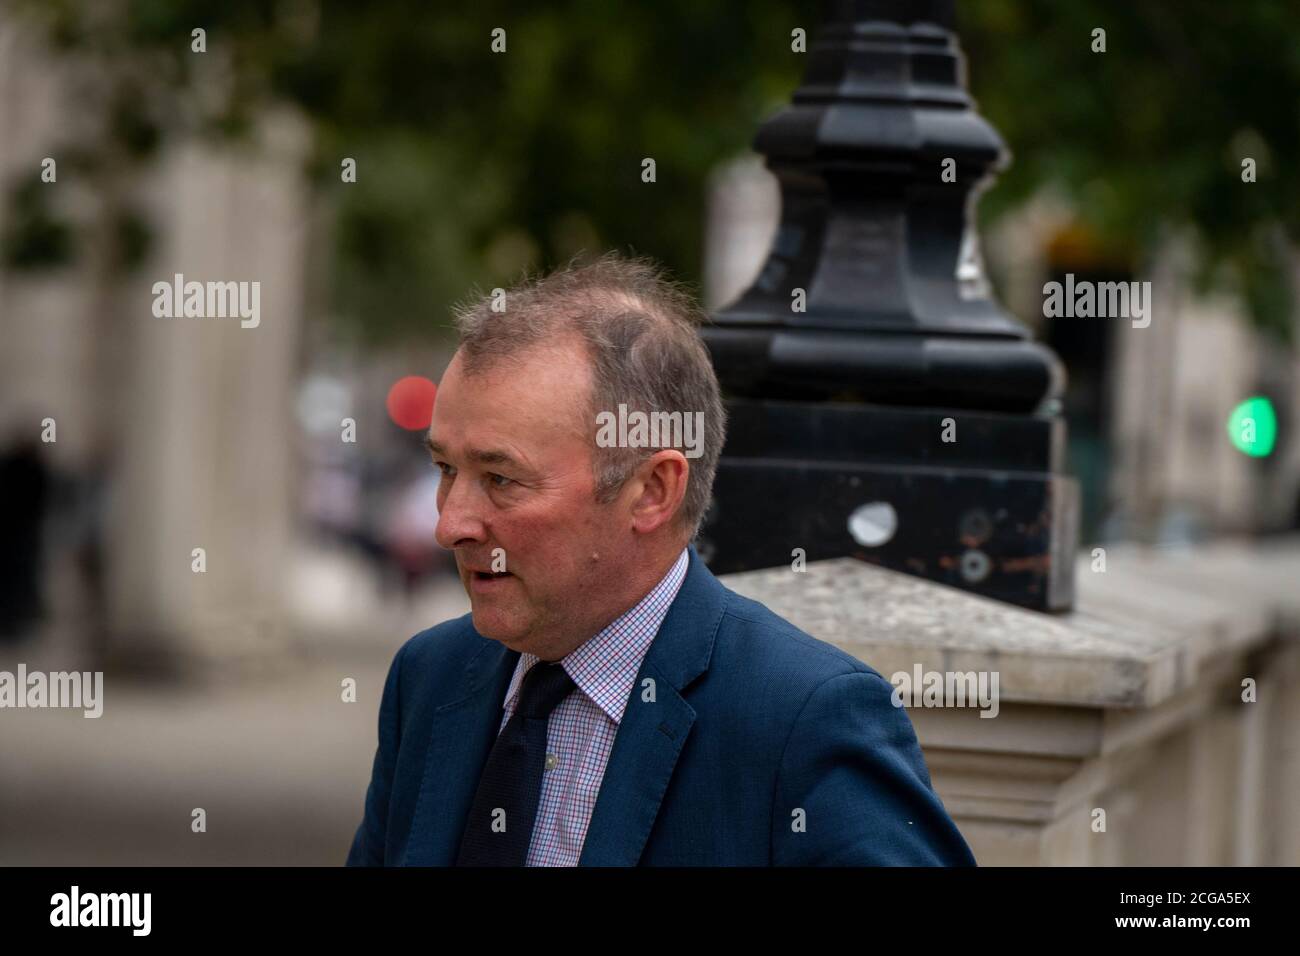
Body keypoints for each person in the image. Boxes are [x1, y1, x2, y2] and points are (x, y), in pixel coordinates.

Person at [346, 252, 976, 866]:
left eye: (501, 479)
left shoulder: (802, 721)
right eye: (445, 469)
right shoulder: (430, 680)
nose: (448, 524)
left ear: (651, 491)